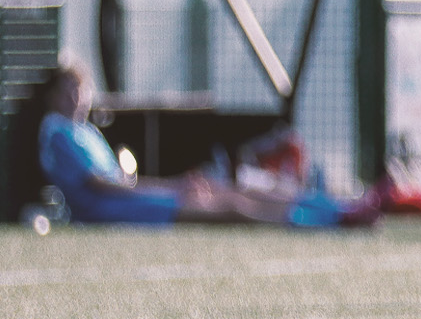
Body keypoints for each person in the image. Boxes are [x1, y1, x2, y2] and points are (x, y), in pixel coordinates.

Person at [31, 62, 362, 227]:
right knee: (231, 207)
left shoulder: (85, 130)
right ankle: (331, 219)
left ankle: (339, 208)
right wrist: (172, 186)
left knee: (240, 189)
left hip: (132, 198)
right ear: (52, 96)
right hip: (114, 210)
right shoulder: (58, 131)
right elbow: (104, 185)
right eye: (68, 90)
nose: (77, 97)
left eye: (81, 89)